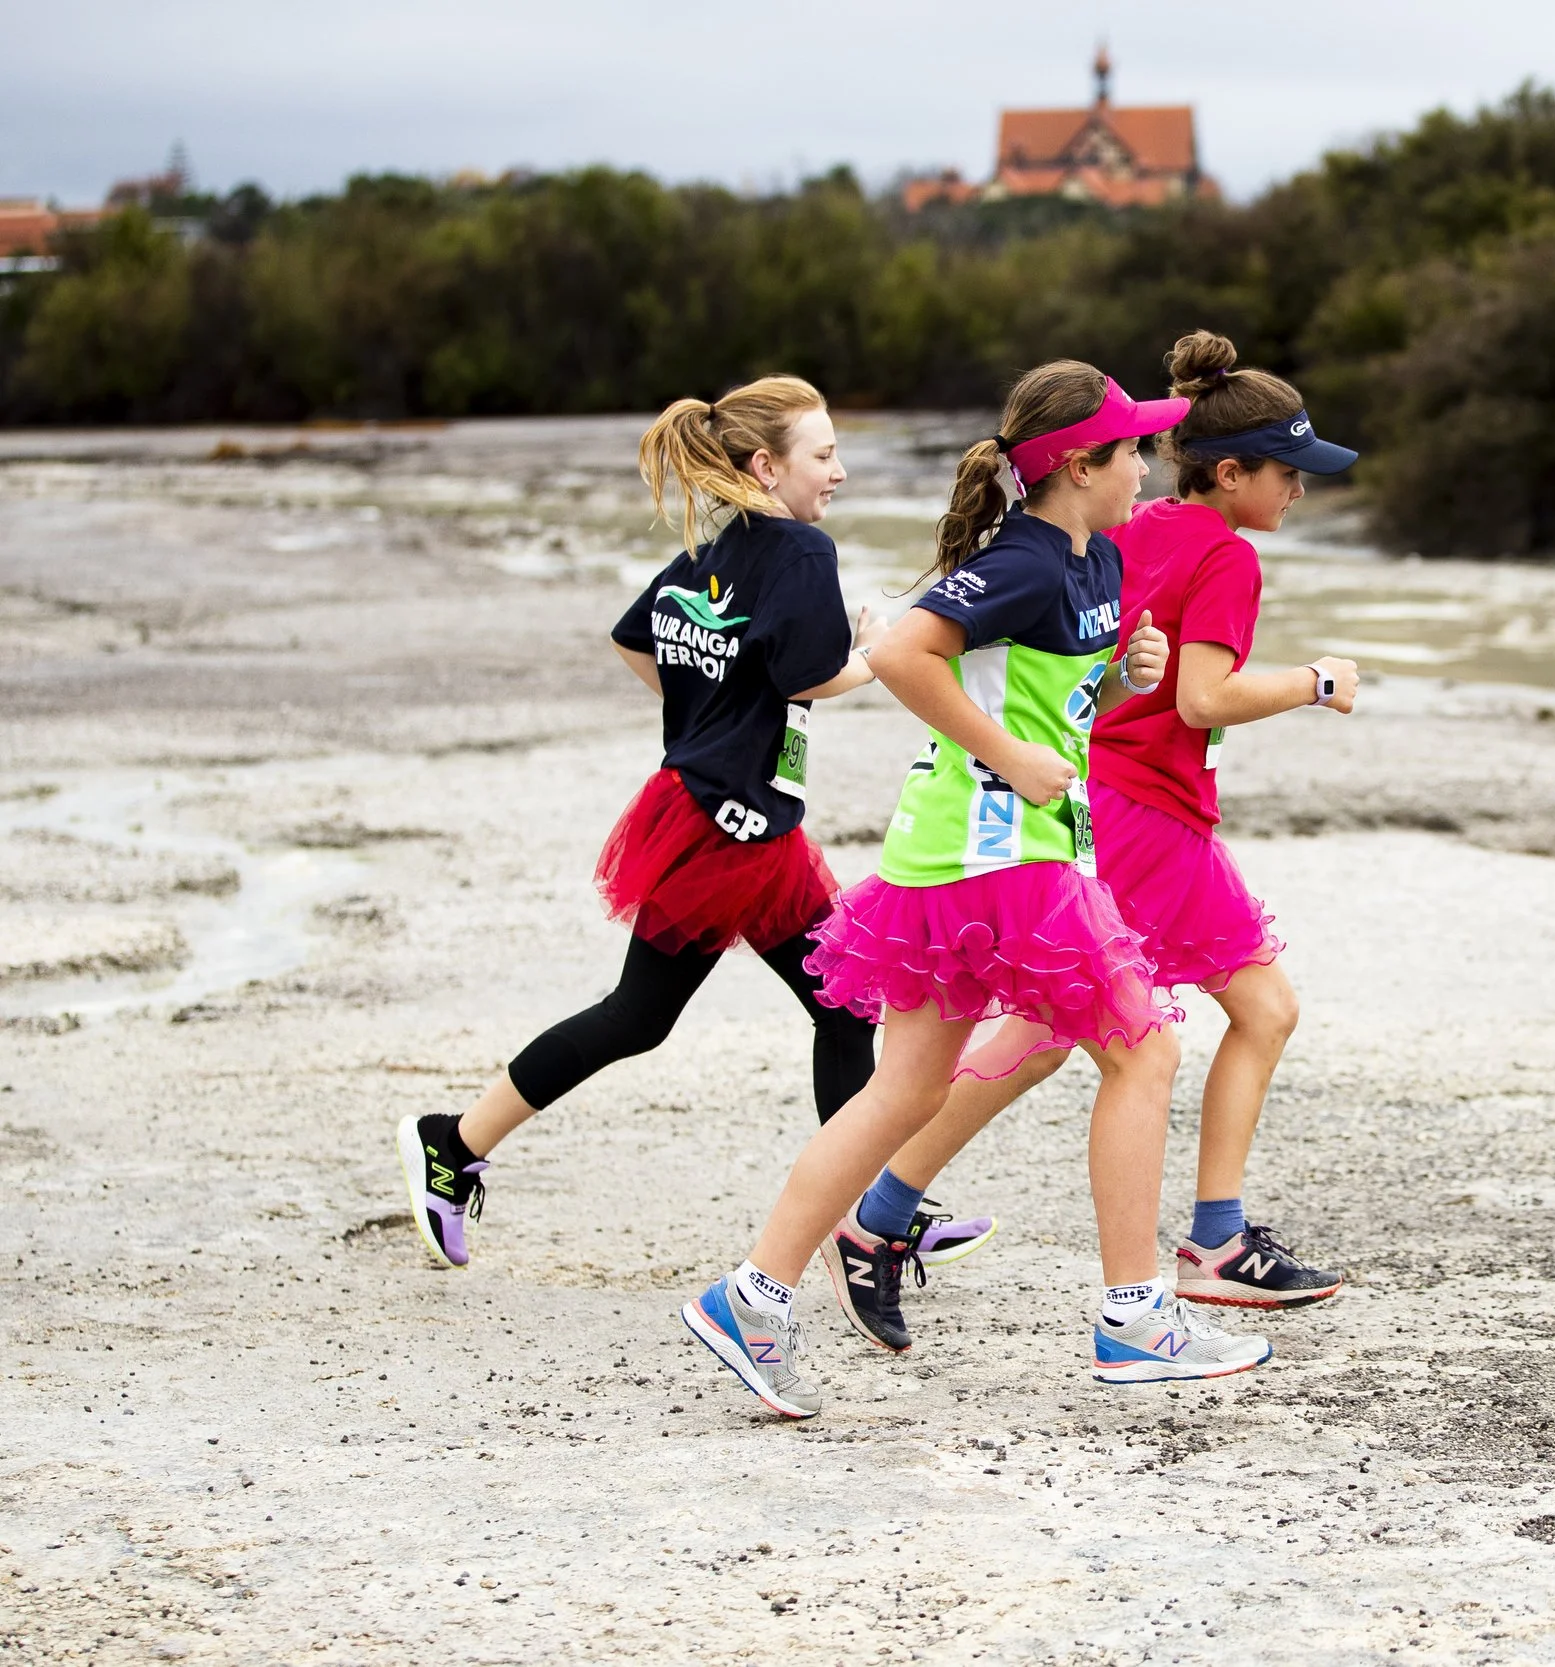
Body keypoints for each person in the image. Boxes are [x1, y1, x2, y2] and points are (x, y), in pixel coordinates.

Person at [680, 361, 1273, 1418]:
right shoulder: (1028, 559)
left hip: (960, 855)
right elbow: (907, 650)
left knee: (904, 1089)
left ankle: (751, 1294)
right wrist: (1009, 752)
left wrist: (1128, 666)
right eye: (1130, 449)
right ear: (1078, 465)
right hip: (996, 856)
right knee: (1146, 1049)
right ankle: (1136, 1319)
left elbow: (1047, 673)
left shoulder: (1090, 559)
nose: (1147, 464)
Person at [392, 376, 993, 1270]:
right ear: (766, 464)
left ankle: (870, 1211)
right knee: (647, 1013)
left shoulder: (722, 547)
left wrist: (703, 715)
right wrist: (879, 649)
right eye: (822, 454)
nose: (838, 471)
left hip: (729, 814)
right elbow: (809, 675)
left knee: (841, 1001)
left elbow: (636, 639)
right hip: (724, 829)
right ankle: (450, 1142)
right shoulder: (796, 551)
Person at [853, 330, 1364, 1320]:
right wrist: (1317, 681)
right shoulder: (1225, 556)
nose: (1299, 492)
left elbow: (1098, 656)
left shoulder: (1134, 526)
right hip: (1149, 814)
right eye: (1289, 471)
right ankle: (1208, 1243)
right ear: (1231, 471)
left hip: (1097, 800)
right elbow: (1202, 699)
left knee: (1048, 1031)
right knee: (1251, 1012)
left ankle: (880, 1206)